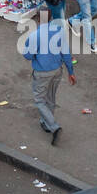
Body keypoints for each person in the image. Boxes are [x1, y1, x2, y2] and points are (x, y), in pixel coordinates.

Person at [23, 13, 76, 146]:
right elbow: (66, 53)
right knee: (51, 98)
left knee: (40, 100)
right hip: (58, 70)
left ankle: (54, 127)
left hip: (42, 73)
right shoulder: (59, 31)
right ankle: (45, 123)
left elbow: (28, 56)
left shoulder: (35, 35)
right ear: (51, 18)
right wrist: (71, 72)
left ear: (38, 19)